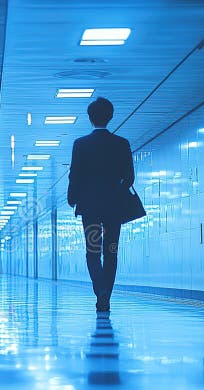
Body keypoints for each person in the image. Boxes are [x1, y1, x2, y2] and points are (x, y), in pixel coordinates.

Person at [67, 97, 134, 312]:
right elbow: (130, 177)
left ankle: (100, 290)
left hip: (90, 207)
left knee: (93, 251)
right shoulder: (122, 144)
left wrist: (73, 197)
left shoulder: (81, 144)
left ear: (90, 118)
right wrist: (117, 190)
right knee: (111, 251)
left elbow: (74, 175)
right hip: (114, 208)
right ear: (111, 116)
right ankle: (107, 295)